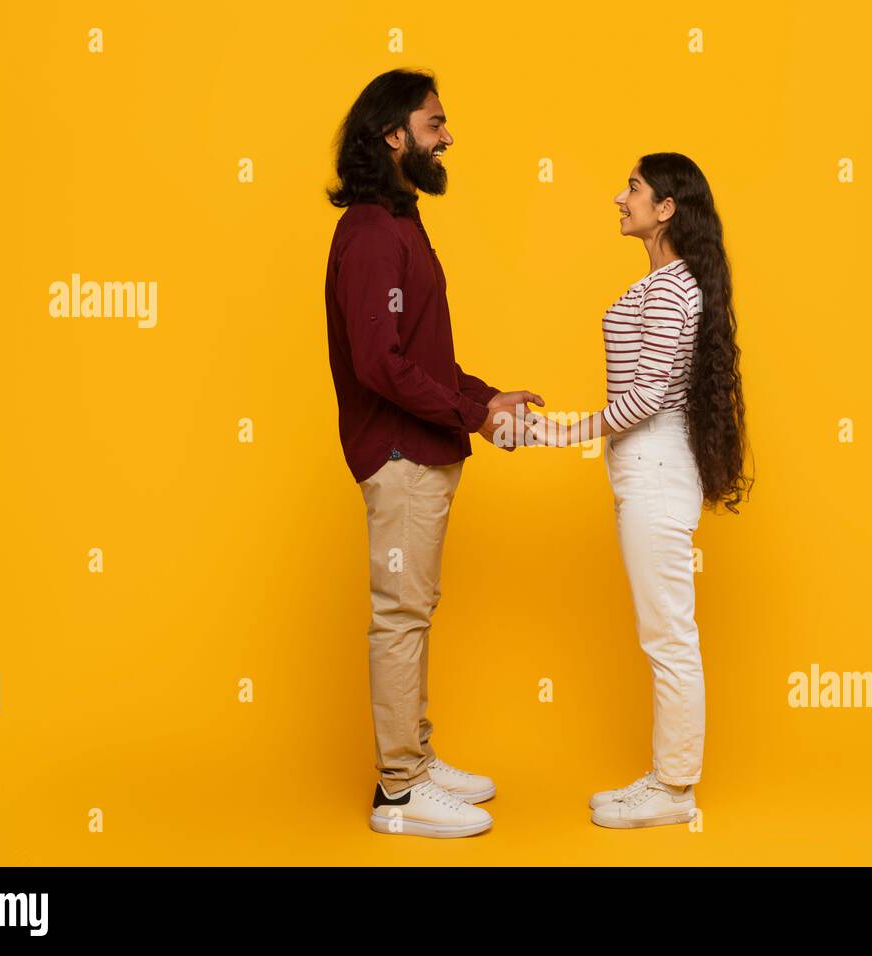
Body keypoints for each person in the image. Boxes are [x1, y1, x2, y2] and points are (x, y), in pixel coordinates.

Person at [325, 68, 542, 838]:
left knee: (413, 612)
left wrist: (483, 398)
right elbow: (378, 364)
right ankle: (398, 793)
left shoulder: (400, 222)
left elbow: (420, 351)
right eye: (434, 123)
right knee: (400, 617)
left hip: (424, 447)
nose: (447, 136)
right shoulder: (374, 234)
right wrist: (472, 415)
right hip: (400, 456)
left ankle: (415, 756)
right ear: (394, 136)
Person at [529, 153, 751, 828]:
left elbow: (647, 397)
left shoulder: (669, 288)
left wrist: (551, 432)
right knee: (665, 633)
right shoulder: (673, 284)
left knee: (668, 638)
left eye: (632, 188)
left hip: (654, 469)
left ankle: (675, 790)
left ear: (665, 209)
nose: (618, 197)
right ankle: (664, 781)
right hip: (647, 468)